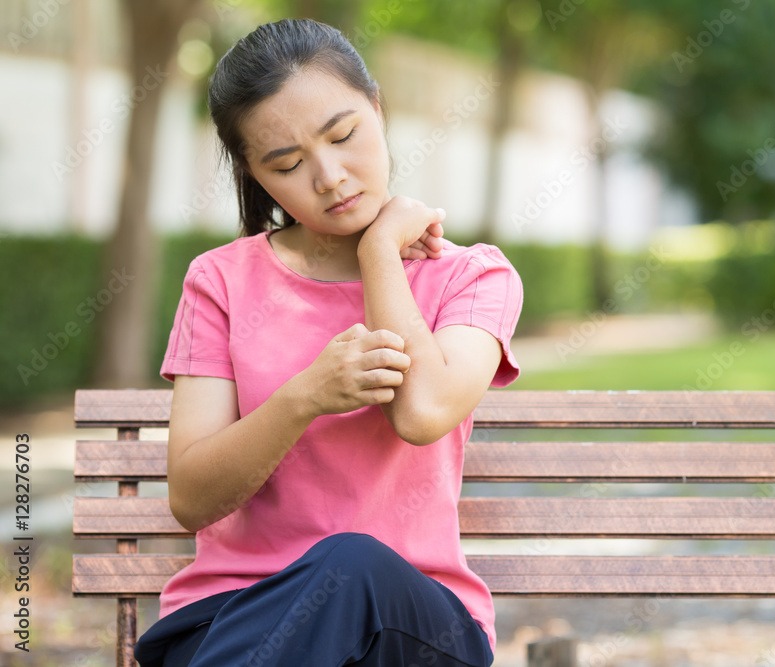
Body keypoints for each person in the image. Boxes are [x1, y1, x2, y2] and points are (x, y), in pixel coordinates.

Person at [133, 17, 522, 667]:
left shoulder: (473, 276)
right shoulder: (220, 281)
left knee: (353, 563)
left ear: (377, 107)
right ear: (255, 175)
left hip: (413, 622)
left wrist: (378, 253)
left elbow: (422, 411)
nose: (331, 176)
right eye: (287, 163)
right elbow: (192, 498)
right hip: (236, 614)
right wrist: (305, 396)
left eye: (344, 135)